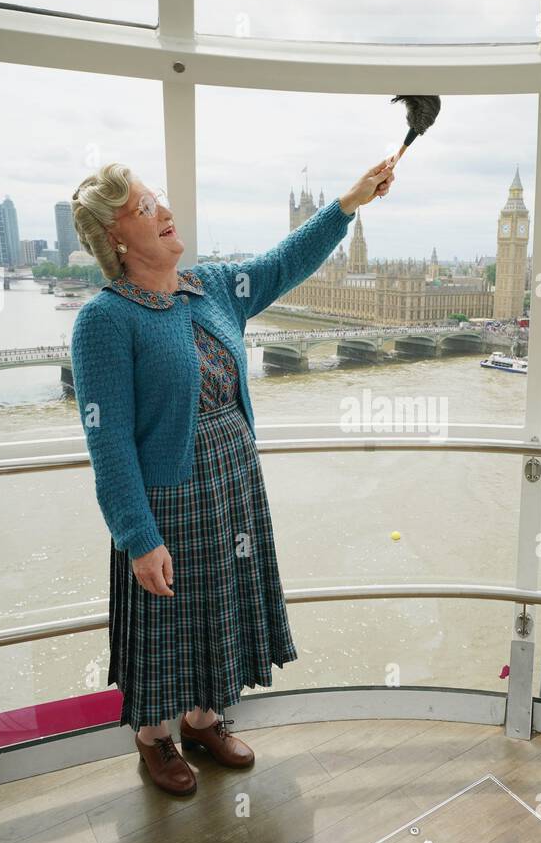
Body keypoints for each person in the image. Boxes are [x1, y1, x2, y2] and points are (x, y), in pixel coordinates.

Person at [70, 158, 394, 796]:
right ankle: (155, 738)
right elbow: (106, 442)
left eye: (157, 200)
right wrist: (137, 535)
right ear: (115, 238)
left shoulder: (212, 287)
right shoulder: (105, 320)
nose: (163, 212)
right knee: (165, 622)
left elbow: (283, 262)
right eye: (143, 208)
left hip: (234, 485)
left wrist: (348, 203)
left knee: (219, 606)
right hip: (168, 497)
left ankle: (203, 719)